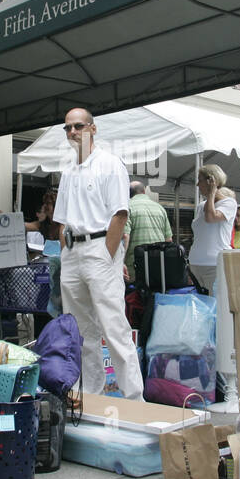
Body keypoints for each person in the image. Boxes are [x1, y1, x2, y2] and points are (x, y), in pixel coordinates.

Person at [52, 108, 142, 400]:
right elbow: (61, 219)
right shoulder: (68, 172)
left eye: (78, 126)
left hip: (99, 248)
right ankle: (91, 395)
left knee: (113, 326)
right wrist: (67, 252)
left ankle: (134, 399)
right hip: (74, 251)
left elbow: (120, 214)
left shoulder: (109, 164)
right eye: (67, 128)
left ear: (92, 129)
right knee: (80, 333)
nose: (72, 132)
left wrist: (107, 254)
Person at [188, 164, 236, 295]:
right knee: (201, 306)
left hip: (214, 263)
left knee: (214, 305)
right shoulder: (201, 206)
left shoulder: (229, 203)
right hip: (195, 262)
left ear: (211, 181)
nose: (198, 185)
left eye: (200, 180)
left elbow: (210, 217)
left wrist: (212, 193)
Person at [123, 180, 172, 282]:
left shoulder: (127, 208)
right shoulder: (160, 208)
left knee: (134, 296)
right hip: (159, 266)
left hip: (134, 268)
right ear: (144, 191)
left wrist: (120, 261)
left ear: (128, 193)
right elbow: (168, 240)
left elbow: (125, 236)